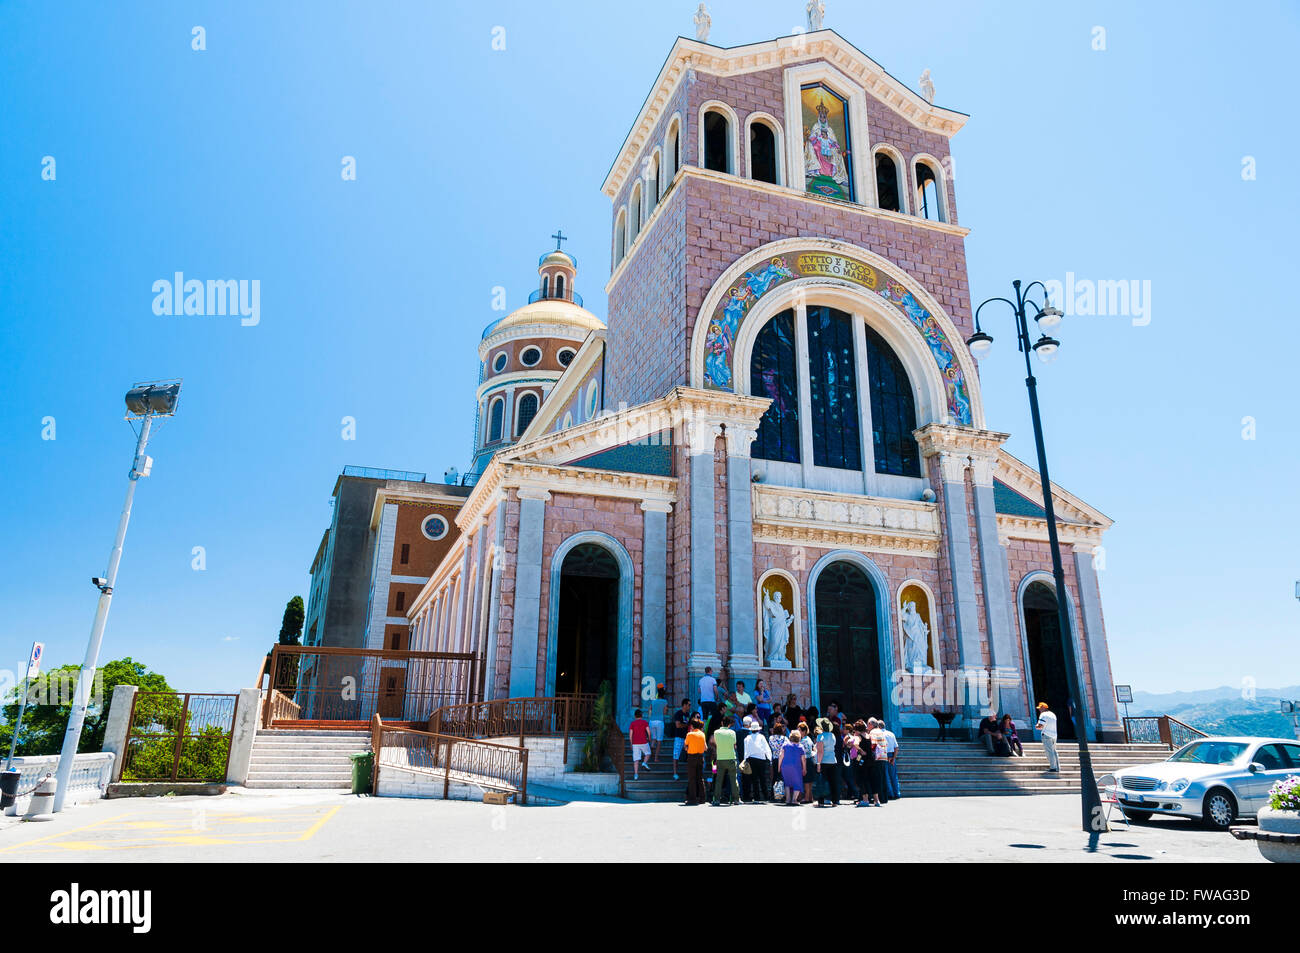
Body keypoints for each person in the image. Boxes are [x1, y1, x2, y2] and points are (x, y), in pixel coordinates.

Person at [711, 716, 740, 806]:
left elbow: (714, 743)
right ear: (729, 724)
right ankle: (736, 799)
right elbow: (734, 745)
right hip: (731, 758)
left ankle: (716, 799)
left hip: (720, 758)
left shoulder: (716, 732)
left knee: (719, 780)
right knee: (733, 780)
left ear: (722, 723)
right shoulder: (732, 732)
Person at [742, 716, 772, 802]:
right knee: (762, 778)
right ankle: (766, 796)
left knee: (754, 779)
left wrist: (745, 759)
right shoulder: (761, 737)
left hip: (751, 759)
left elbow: (746, 750)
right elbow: (766, 748)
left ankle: (756, 797)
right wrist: (769, 758)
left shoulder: (747, 738)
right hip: (761, 759)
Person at [814, 717, 840, 806]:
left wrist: (818, 763)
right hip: (833, 760)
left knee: (822, 781)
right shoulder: (832, 735)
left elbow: (820, 751)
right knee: (833, 781)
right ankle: (835, 800)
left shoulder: (820, 737)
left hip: (824, 761)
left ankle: (821, 801)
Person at [778, 729, 806, 805]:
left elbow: (781, 756)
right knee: (797, 782)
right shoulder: (800, 747)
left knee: (787, 783)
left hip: (785, 766)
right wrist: (804, 768)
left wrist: (779, 766)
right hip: (796, 766)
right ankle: (794, 800)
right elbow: (803, 759)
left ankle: (788, 799)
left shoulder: (785, 745)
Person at [683, 718, 708, 804]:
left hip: (692, 757)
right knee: (700, 778)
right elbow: (705, 748)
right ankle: (702, 798)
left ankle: (692, 798)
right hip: (700, 757)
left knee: (692, 778)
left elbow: (686, 746)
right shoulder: (702, 734)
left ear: (692, 726)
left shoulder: (690, 734)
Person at [867, 718, 889, 806]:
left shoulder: (873, 732)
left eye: (868, 724)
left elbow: (873, 743)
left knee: (877, 779)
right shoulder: (880, 731)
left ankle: (879, 798)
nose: (867, 726)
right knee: (883, 778)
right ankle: (884, 798)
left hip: (877, 758)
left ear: (871, 724)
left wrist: (870, 753)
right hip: (884, 757)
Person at [671, 698, 692, 780]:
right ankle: (675, 773)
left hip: (686, 737)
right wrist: (686, 725)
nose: (690, 706)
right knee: (676, 755)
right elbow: (678, 725)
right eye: (689, 705)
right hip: (679, 737)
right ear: (684, 705)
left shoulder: (688, 715)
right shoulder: (678, 714)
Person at [880, 719, 901, 799]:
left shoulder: (880, 734)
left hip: (884, 755)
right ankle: (897, 793)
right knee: (893, 775)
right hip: (891, 754)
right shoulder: (891, 734)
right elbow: (896, 747)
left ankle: (890, 793)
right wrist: (894, 758)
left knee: (886, 775)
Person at [1035, 702, 1059, 773]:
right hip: (1054, 735)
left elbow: (1040, 726)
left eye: (1040, 708)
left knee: (1049, 752)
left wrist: (1036, 726)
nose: (1039, 710)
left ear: (1044, 708)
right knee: (1054, 751)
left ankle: (1053, 767)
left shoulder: (1043, 715)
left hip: (1046, 734)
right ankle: (1057, 767)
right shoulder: (1053, 714)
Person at [629, 709, 652, 780]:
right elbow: (648, 731)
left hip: (635, 743)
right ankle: (644, 763)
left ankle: (636, 775)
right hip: (644, 742)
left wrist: (631, 743)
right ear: (641, 715)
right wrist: (649, 738)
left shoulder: (632, 723)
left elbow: (630, 735)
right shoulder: (645, 722)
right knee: (648, 753)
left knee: (636, 759)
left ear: (635, 716)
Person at [648, 685, 668, 763]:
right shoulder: (665, 702)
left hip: (652, 721)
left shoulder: (653, 701)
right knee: (659, 741)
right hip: (660, 721)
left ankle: (652, 747)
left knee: (653, 739)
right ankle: (656, 758)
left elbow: (649, 710)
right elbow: (664, 712)